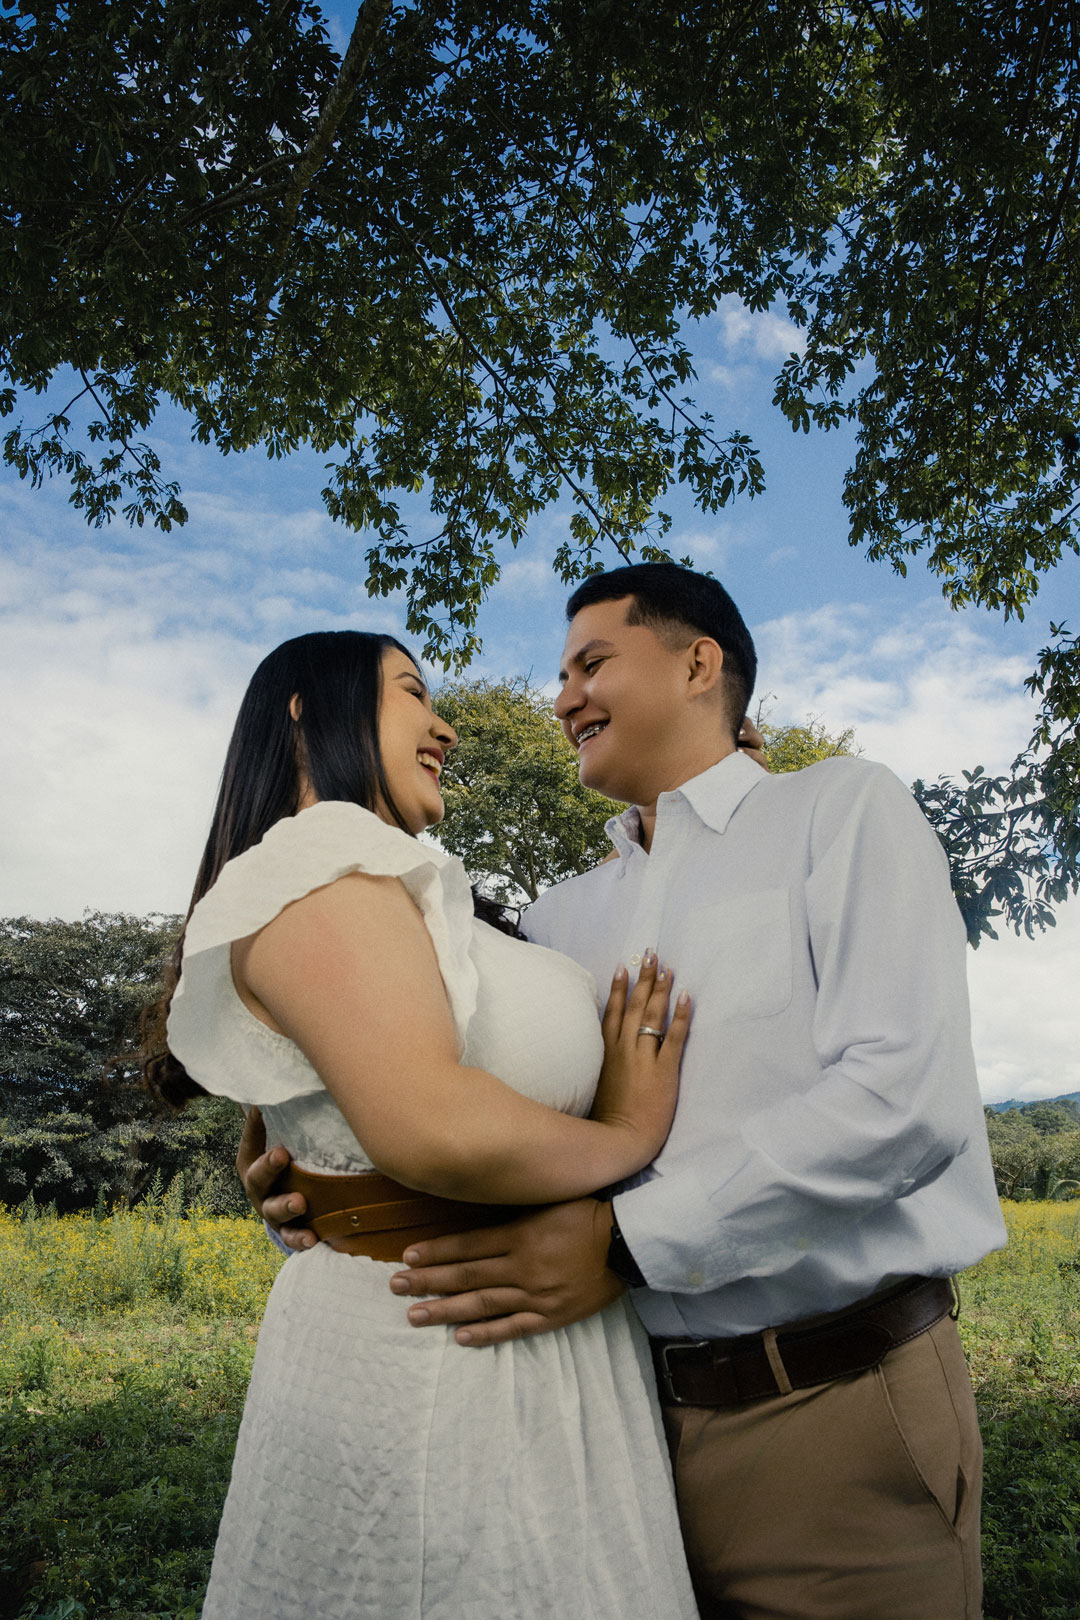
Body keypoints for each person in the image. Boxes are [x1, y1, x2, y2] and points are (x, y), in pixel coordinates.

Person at [249, 565, 1006, 1620]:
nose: (561, 699)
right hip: (591, 1424)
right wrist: (332, 1188)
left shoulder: (840, 811)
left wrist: (622, 1242)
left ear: (700, 664)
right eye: (560, 674)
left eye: (591, 663)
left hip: (828, 1410)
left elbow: (903, 1105)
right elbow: (466, 1103)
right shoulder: (559, 924)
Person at [150, 629, 701, 1620]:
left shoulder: (386, 882)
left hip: (504, 1340)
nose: (443, 724)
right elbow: (428, 1123)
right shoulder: (321, 862)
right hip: (435, 1346)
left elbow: (333, 1106)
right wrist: (627, 1132)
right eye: (411, 692)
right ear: (304, 714)